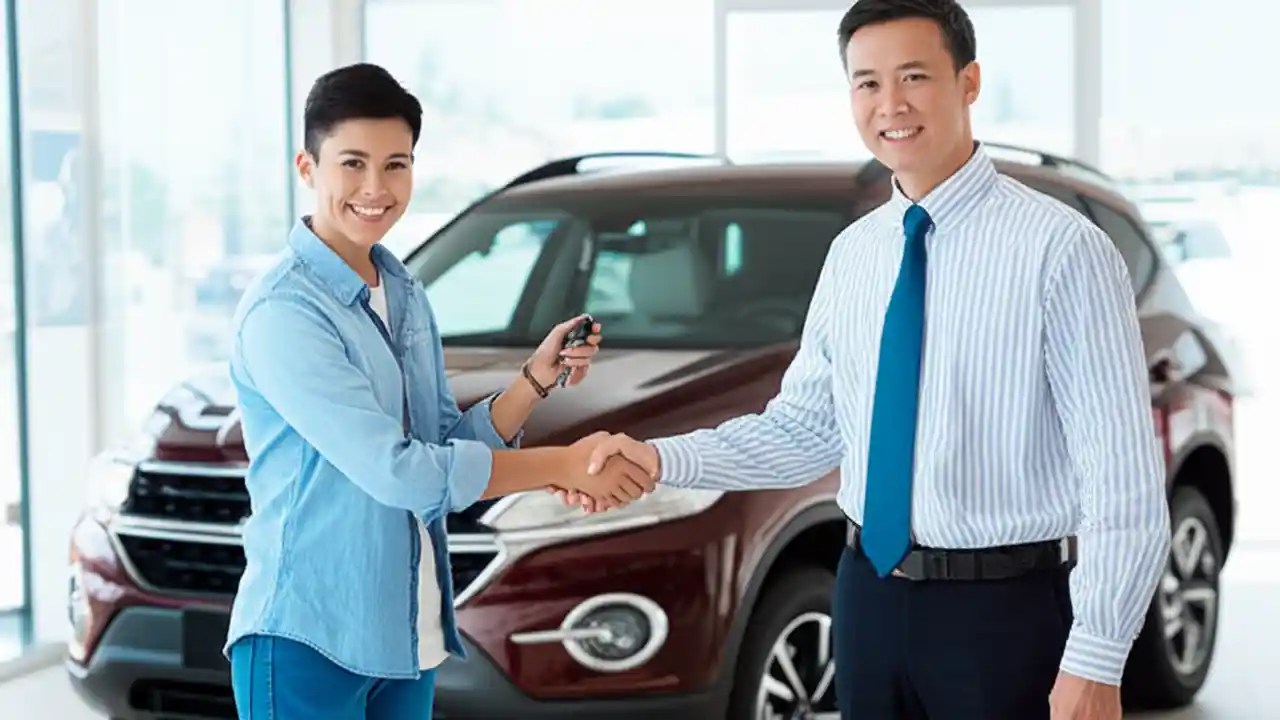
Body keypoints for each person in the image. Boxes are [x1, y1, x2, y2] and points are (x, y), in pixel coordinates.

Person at [562, 1, 1171, 718]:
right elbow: (805, 430)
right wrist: (659, 460)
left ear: (968, 82)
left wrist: (1097, 657)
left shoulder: (1060, 249)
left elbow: (1122, 480)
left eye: (914, 77)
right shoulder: (855, 255)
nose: (891, 105)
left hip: (1005, 613)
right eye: (867, 83)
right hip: (868, 598)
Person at [222, 63, 654, 720]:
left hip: (406, 633)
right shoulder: (285, 314)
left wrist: (534, 380)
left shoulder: (405, 294)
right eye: (353, 164)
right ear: (307, 168)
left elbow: (439, 444)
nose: (376, 188)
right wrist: (564, 466)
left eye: (396, 165)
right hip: (306, 637)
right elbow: (400, 473)